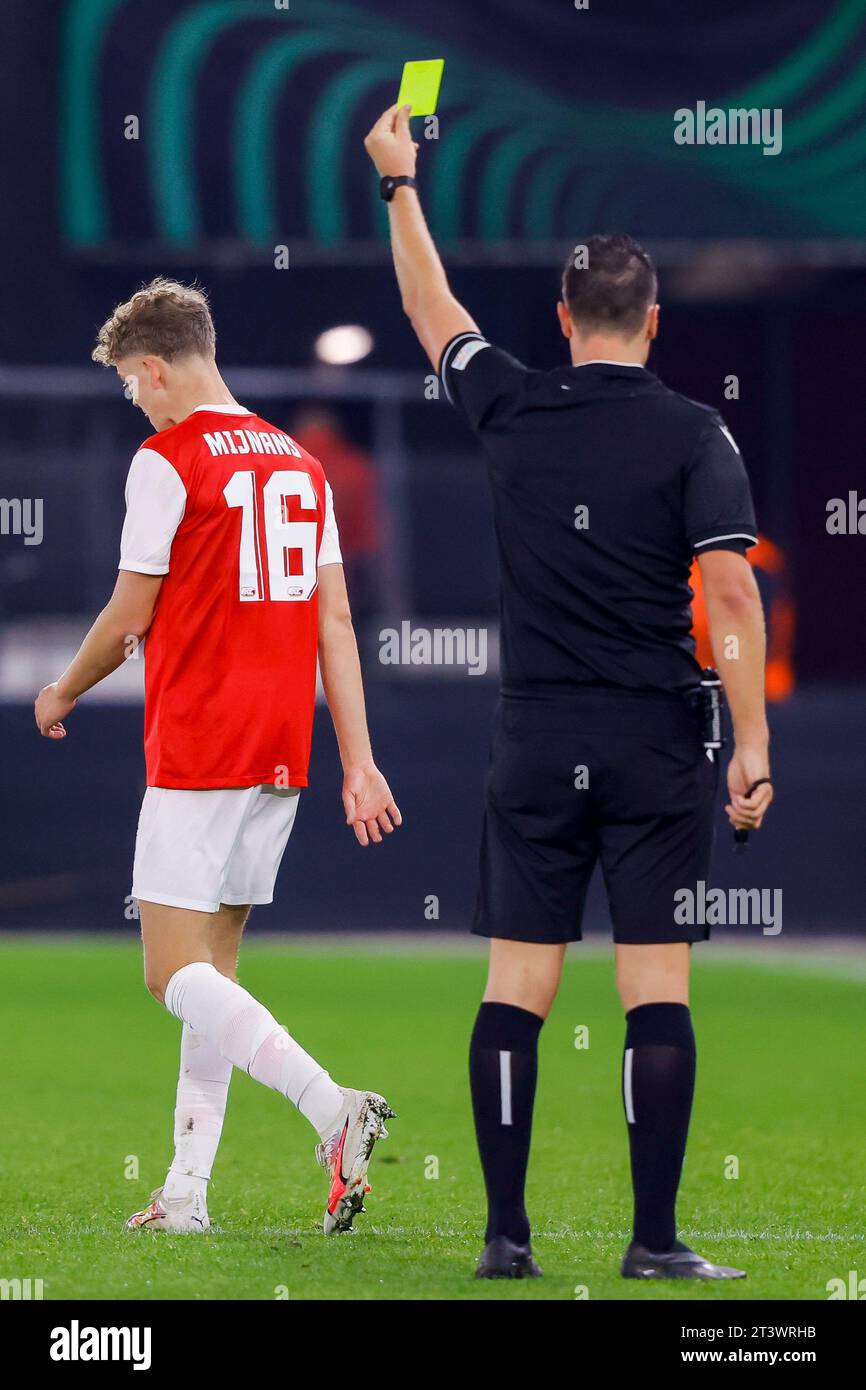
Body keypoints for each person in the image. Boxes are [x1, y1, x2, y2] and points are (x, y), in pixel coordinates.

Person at [365, 105, 772, 1280]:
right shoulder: (696, 431)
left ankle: (504, 1237)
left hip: (535, 739)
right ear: (652, 322)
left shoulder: (511, 403)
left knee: (516, 989)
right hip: (652, 739)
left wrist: (400, 185)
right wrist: (747, 743)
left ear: (559, 320)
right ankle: (653, 1244)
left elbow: (428, 312)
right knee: (653, 990)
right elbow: (731, 601)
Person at [34, 278, 401, 1237]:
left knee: (169, 976)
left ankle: (333, 1109)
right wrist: (358, 760)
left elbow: (127, 616)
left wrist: (63, 689)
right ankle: (187, 1197)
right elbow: (336, 621)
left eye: (131, 386)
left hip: (200, 742)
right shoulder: (301, 464)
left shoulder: (167, 460)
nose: (137, 404)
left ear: (155, 367)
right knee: (214, 983)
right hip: (280, 748)